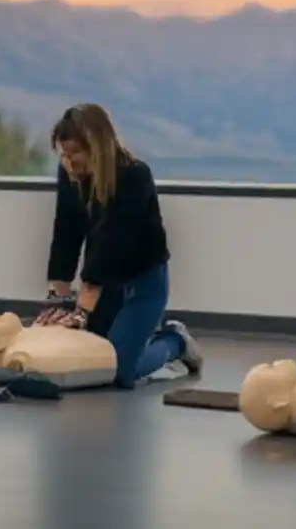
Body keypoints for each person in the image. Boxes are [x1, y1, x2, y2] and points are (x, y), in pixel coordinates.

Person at [35, 103, 202, 389]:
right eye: (64, 154)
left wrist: (82, 311)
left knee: (119, 371)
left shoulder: (134, 176)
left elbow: (111, 243)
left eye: (75, 153)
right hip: (107, 284)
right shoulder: (70, 175)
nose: (69, 161)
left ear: (97, 146)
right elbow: (66, 232)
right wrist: (56, 300)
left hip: (143, 283)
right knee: (88, 359)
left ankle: (175, 341)